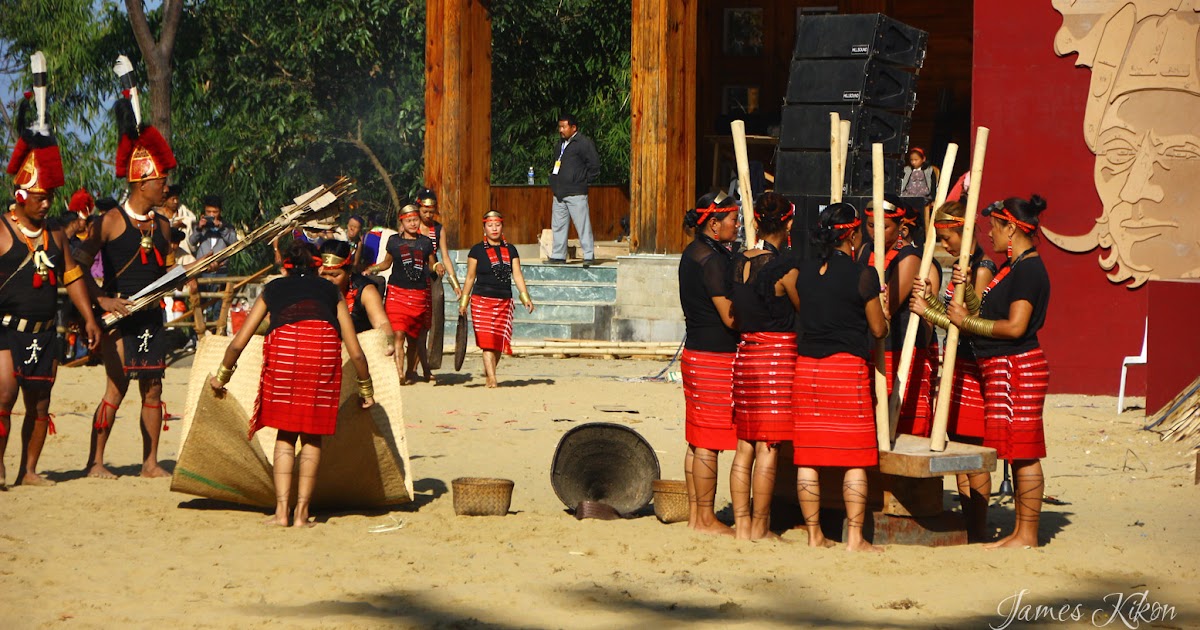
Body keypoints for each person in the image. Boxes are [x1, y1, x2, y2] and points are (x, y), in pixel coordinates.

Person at [210, 242, 376, 527]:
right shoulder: (331, 292)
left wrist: (222, 377)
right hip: (321, 356)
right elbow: (355, 350)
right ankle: (302, 514)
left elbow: (239, 341)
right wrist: (366, 390)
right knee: (312, 436)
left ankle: (281, 512)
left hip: (284, 355)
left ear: (285, 266)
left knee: (286, 435)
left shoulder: (273, 289)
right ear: (317, 266)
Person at [934, 195, 1051, 549]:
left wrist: (966, 321)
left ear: (1012, 228)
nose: (990, 233)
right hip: (1003, 366)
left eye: (995, 227)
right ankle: (1020, 531)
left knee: (1025, 451)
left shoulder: (1029, 269)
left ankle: (1027, 534)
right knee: (1015, 451)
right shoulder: (1011, 267)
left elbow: (1016, 327)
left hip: (1017, 364)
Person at [1, 90, 102, 487]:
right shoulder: (3, 230)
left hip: (44, 332)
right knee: (4, 397)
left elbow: (74, 276)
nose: (47, 206)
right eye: (40, 199)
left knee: (40, 404)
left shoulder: (57, 236)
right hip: (6, 329)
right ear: (21, 195)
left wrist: (90, 318)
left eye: (50, 199)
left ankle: (29, 471)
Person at [76, 89, 178, 479]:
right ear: (142, 182)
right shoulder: (111, 221)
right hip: (119, 318)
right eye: (161, 181)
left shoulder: (164, 226)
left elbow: (168, 270)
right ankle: (95, 462)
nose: (166, 188)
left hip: (152, 317)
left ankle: (150, 463)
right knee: (116, 389)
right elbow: (77, 268)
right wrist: (101, 301)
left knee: (153, 388)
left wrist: (184, 276)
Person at [791, 201, 888, 552]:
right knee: (856, 457)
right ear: (852, 235)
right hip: (846, 370)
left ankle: (815, 534)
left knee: (808, 457)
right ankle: (855, 537)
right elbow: (878, 328)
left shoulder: (805, 270)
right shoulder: (863, 274)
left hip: (807, 370)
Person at [908, 199, 997, 541]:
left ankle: (978, 528)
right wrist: (928, 300)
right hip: (956, 363)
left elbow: (971, 323)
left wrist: (929, 312)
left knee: (973, 451)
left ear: (965, 231)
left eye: (948, 238)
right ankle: (969, 525)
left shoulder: (982, 267)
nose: (944, 246)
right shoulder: (961, 265)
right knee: (957, 447)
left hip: (974, 365)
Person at [728, 193, 799, 540]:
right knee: (768, 446)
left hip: (746, 357)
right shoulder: (783, 268)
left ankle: (742, 524)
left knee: (745, 444)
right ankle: (760, 525)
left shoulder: (739, 261)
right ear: (787, 225)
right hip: (775, 360)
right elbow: (805, 310)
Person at [678, 192, 739, 536]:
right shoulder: (711, 260)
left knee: (699, 439)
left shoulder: (695, 253)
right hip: (714, 357)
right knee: (709, 442)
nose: (737, 224)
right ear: (714, 224)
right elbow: (730, 318)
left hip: (698, 353)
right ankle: (705, 518)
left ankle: (696, 515)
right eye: (732, 219)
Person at [859, 196, 939, 437]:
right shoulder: (865, 250)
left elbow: (888, 307)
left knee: (903, 426)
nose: (875, 232)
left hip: (900, 348)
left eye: (883, 226)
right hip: (870, 346)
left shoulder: (910, 257)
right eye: (871, 225)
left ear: (901, 228)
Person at [458, 210, 534, 388]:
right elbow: (470, 277)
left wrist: (525, 298)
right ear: (484, 227)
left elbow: (517, 275)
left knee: (498, 342)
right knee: (486, 342)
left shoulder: (511, 250)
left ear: (502, 226)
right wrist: (464, 302)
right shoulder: (476, 250)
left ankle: (490, 371)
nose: (494, 228)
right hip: (481, 300)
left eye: (497, 225)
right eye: (490, 225)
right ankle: (492, 378)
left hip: (504, 301)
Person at [367, 204, 435, 384]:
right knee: (398, 334)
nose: (413, 224)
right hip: (397, 294)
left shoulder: (426, 243)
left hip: (419, 295)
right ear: (402, 221)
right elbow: (386, 263)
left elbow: (432, 263)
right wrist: (372, 268)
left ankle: (411, 371)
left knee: (414, 337)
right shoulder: (394, 242)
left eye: (415, 220)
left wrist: (438, 267)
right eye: (409, 221)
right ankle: (399, 373)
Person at [415, 188, 462, 372]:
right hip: (414, 275)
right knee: (417, 324)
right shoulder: (411, 225)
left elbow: (446, 257)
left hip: (434, 277)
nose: (427, 215)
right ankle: (413, 366)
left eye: (431, 212)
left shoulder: (438, 229)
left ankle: (430, 364)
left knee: (436, 318)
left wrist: (455, 284)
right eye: (424, 211)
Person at [547, 114, 600, 267]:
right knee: (558, 225)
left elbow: (594, 165)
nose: (561, 130)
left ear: (573, 127)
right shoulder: (560, 144)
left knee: (582, 225)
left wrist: (582, 181)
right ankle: (558, 255)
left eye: (564, 127)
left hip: (576, 191)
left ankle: (588, 255)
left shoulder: (583, 143)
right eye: (559, 127)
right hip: (559, 192)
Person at [318, 239, 395, 341]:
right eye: (323, 274)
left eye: (334, 275)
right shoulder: (312, 286)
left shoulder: (366, 291)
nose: (328, 279)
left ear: (349, 272)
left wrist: (389, 342)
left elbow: (382, 323)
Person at [190, 194, 238, 321]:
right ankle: (198, 336)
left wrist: (220, 227)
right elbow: (192, 241)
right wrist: (200, 228)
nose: (211, 215)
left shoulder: (227, 226)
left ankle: (217, 334)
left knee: (219, 305)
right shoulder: (200, 226)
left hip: (220, 271)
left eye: (215, 212)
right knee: (200, 304)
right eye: (208, 212)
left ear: (220, 212)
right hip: (203, 270)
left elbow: (234, 242)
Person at [160, 184, 196, 255]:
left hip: (182, 244)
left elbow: (192, 219)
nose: (176, 202)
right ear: (166, 200)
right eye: (173, 199)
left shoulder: (183, 211)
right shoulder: (160, 213)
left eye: (177, 199)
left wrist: (184, 223)